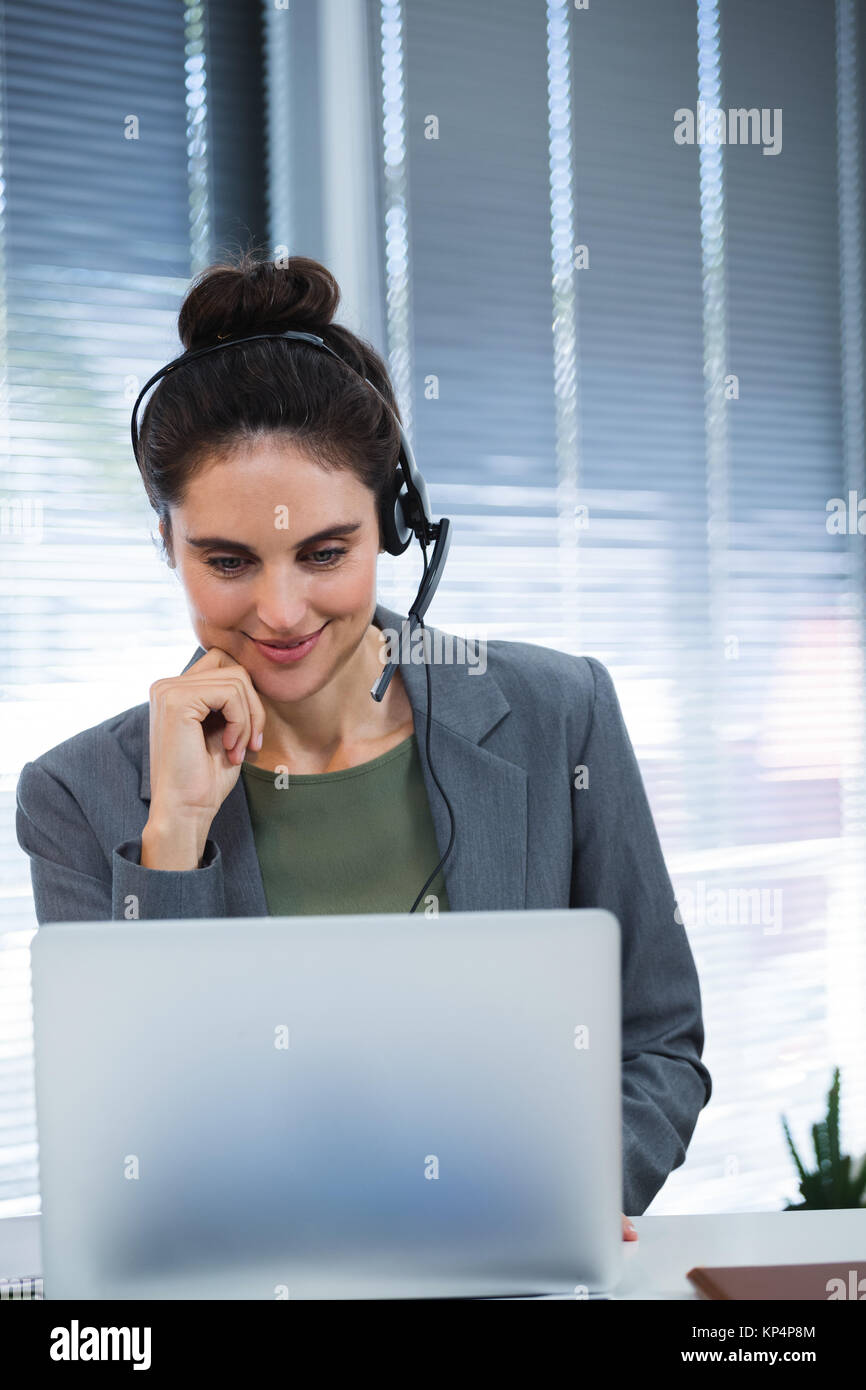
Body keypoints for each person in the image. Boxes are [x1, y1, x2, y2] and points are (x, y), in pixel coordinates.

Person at [15, 250, 711, 1225]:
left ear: (393, 525)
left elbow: (658, 1037)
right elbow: (125, 1144)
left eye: (323, 552)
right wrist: (172, 828)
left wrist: (562, 1199)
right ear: (165, 544)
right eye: (227, 560)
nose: (281, 609)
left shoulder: (559, 712)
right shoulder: (78, 793)